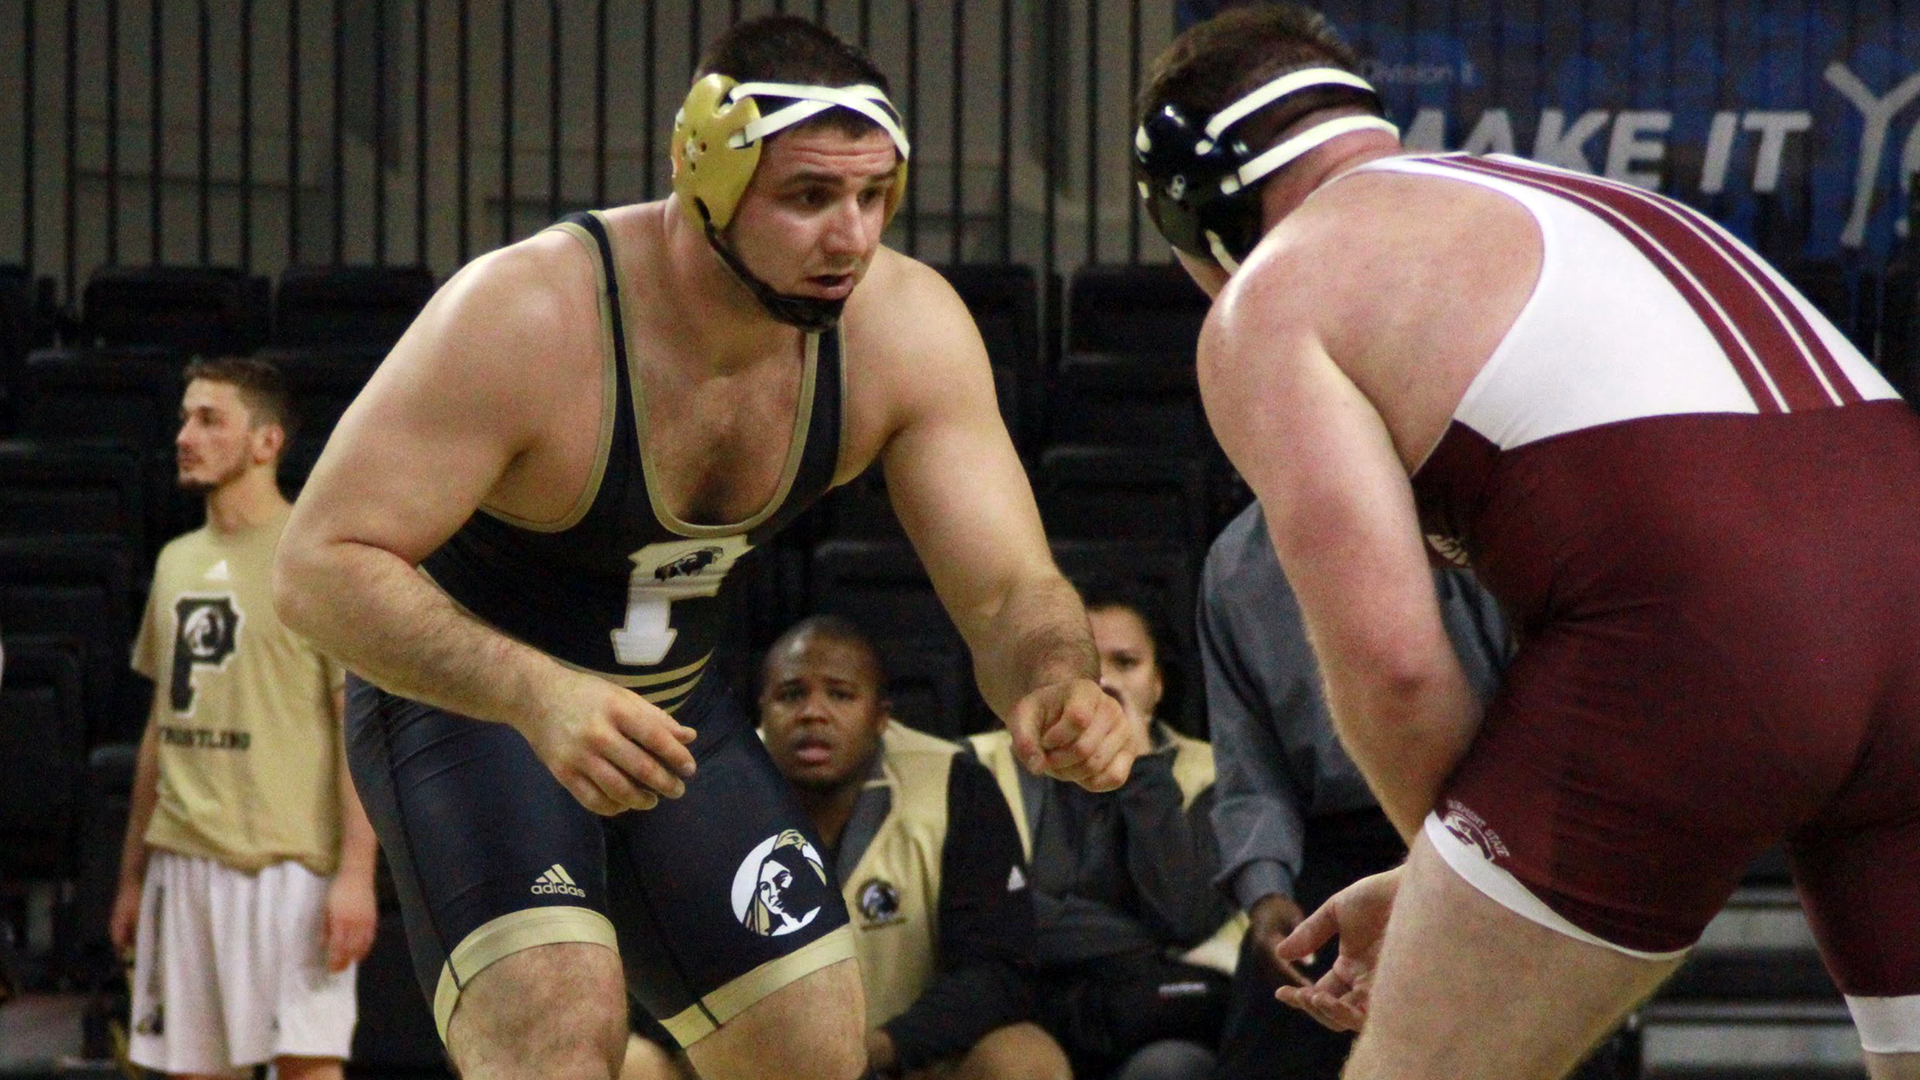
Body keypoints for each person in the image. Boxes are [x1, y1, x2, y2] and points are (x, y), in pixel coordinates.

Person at [272, 16, 1138, 1080]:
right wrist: (538, 694)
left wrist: (1055, 681)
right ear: (706, 183)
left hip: (669, 710)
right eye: (811, 197)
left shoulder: (904, 331)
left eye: (874, 197)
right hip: (475, 711)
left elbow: (1010, 591)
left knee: (810, 1047)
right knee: (557, 1038)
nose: (853, 238)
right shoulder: (531, 315)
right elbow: (316, 567)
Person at [1132, 6, 1920, 1079]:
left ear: (1195, 227)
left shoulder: (1275, 292)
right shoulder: (1573, 197)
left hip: (1713, 629)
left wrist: (1446, 879)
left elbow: (1399, 670)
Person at [110, 357, 378, 1080]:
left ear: (268, 443)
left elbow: (358, 727)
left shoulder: (314, 560)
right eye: (183, 418)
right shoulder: (174, 561)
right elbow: (159, 727)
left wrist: (357, 873)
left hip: (290, 867)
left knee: (309, 1069)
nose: (184, 435)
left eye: (209, 419)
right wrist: (133, 876)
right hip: (184, 859)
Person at [1199, 499, 1510, 1080]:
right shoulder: (1235, 563)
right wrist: (1265, 893)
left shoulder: (1466, 521)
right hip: (1334, 840)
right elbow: (1250, 764)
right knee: (1271, 1037)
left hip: (1488, 824)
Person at [972, 587, 1238, 1080]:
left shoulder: (1214, 776)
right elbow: (995, 924)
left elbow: (1184, 914)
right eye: (1086, 664)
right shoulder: (980, 767)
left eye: (1126, 663)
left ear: (1157, 684)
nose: (1104, 683)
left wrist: (1141, 768)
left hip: (1154, 1020)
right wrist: (1140, 942)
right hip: (1014, 1012)